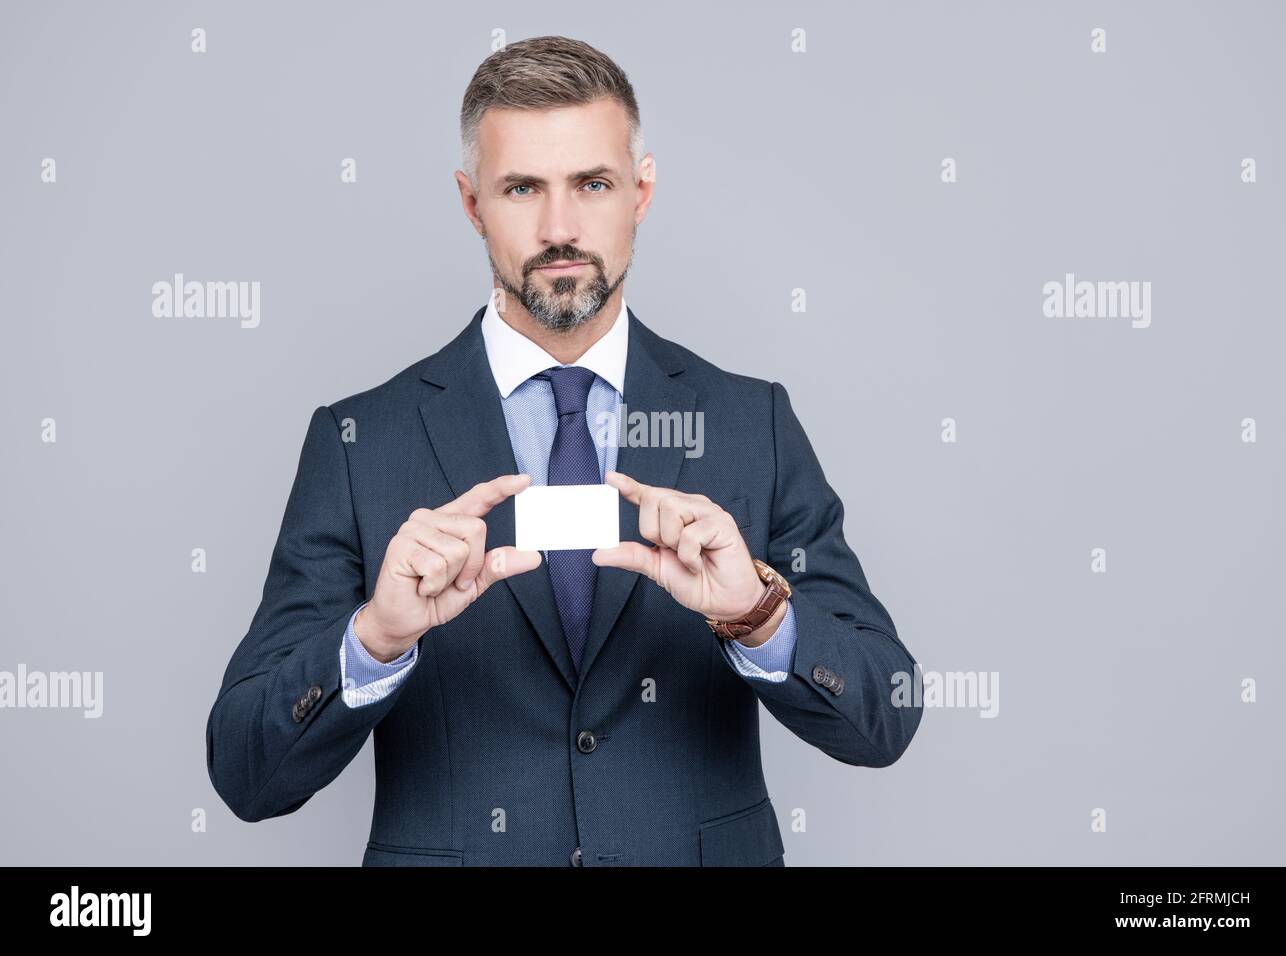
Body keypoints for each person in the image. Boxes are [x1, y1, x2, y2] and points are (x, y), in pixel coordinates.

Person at [206, 34, 922, 867]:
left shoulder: (747, 422)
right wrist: (374, 639)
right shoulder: (362, 440)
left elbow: (884, 718)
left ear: (641, 192)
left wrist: (758, 616)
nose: (560, 228)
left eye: (592, 184)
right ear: (472, 204)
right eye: (521, 188)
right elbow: (245, 773)